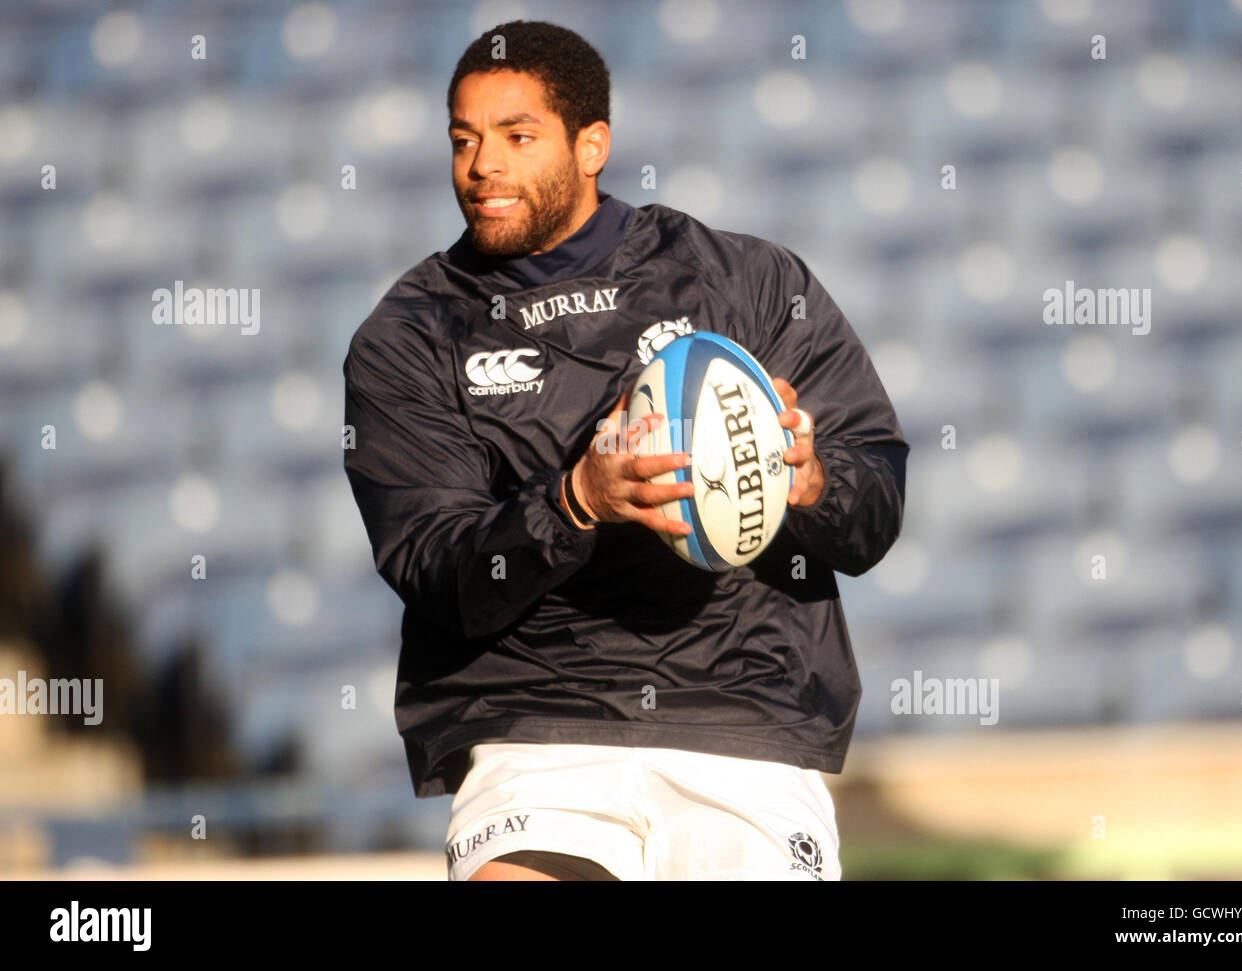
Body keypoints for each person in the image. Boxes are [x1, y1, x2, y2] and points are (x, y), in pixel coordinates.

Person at [343, 20, 908, 880]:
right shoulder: (409, 336)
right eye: (464, 140)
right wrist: (575, 502)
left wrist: (812, 480)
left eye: (516, 137)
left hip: (741, 718)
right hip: (534, 725)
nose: (482, 165)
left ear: (592, 144)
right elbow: (432, 565)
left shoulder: (748, 283)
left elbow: (875, 510)